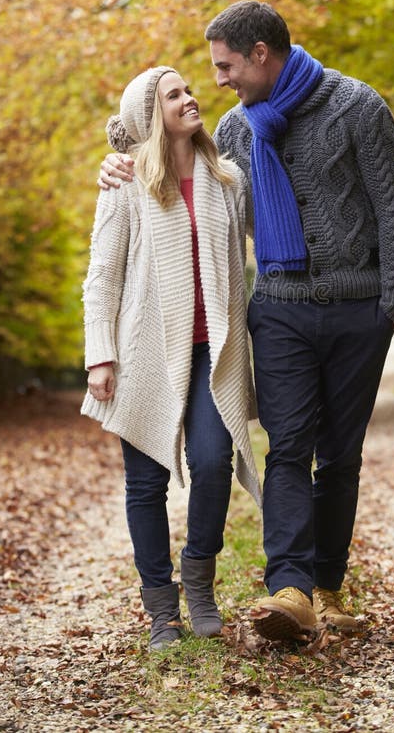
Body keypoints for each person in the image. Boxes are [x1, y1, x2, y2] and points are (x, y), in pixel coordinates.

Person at [98, 1, 394, 643]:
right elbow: (176, 171)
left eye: (225, 66)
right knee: (289, 447)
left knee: (341, 455)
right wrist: (116, 157)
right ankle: (290, 589)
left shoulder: (357, 106)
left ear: (260, 55)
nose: (217, 80)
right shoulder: (236, 129)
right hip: (278, 310)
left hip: (358, 309)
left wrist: (389, 307)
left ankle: (326, 586)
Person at [82, 65, 261, 651]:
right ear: (149, 116)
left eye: (188, 89)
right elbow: (103, 277)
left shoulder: (227, 178)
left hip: (215, 350)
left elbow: (259, 246)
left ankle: (200, 581)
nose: (190, 98)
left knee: (212, 463)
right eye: (174, 95)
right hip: (144, 353)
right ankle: (162, 611)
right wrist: (100, 356)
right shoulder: (125, 185)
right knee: (145, 484)